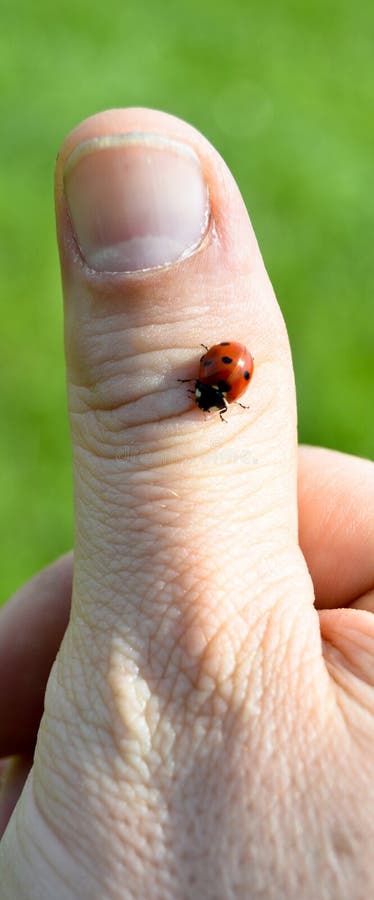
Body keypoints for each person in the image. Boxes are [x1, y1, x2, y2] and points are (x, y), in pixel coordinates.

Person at [0, 107, 373, 899]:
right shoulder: (218, 378)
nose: (215, 390)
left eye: (213, 391)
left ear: (212, 385)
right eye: (215, 390)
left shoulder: (213, 379)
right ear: (217, 385)